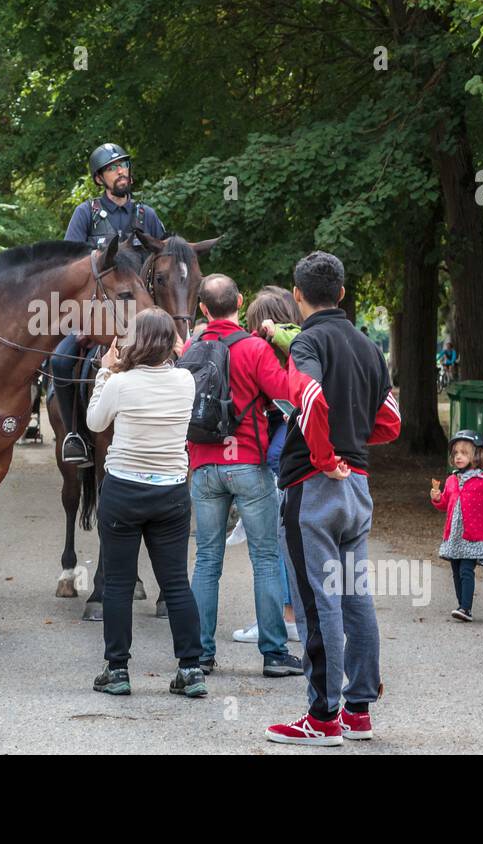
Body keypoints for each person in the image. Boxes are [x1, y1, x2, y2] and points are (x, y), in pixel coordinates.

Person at [266, 251, 401, 747]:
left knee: (315, 600)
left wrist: (325, 456)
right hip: (358, 487)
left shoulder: (307, 341)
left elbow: (309, 398)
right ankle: (359, 711)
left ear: (297, 295)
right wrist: (352, 447)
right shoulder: (369, 346)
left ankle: (323, 717)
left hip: (314, 485)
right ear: (342, 293)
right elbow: (391, 421)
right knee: (355, 596)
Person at [183, 275, 302, 679]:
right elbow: (287, 394)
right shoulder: (254, 348)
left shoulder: (192, 347)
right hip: (248, 462)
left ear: (202, 308)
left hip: (203, 463)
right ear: (239, 300)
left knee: (207, 560)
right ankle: (273, 652)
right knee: (266, 558)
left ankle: (199, 654)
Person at [85, 308, 204, 698]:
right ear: (171, 342)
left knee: (118, 583)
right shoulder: (186, 381)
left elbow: (95, 423)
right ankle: (190, 668)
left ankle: (117, 669)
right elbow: (182, 357)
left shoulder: (120, 384)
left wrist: (106, 371)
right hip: (170, 491)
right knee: (175, 582)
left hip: (123, 490)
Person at [55, 142, 168, 465]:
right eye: (112, 168)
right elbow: (70, 266)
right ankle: (75, 435)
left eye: (124, 165)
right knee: (61, 361)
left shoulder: (147, 215)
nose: (121, 172)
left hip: (142, 317)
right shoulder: (86, 213)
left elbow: (163, 263)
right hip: (96, 313)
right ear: (99, 178)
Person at [232, 286, 305, 645]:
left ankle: (283, 616)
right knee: (281, 542)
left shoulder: (291, 347)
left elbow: (290, 400)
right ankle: (287, 614)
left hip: (285, 446)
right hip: (283, 435)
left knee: (275, 541)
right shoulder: (290, 347)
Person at [430, 430, 483, 622]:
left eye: (464, 453)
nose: (458, 457)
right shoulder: (451, 480)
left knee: (466, 570)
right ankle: (461, 606)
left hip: (473, 535)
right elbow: (444, 505)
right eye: (456, 453)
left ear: (477, 455)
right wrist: (437, 499)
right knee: (456, 571)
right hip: (454, 536)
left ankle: (466, 608)